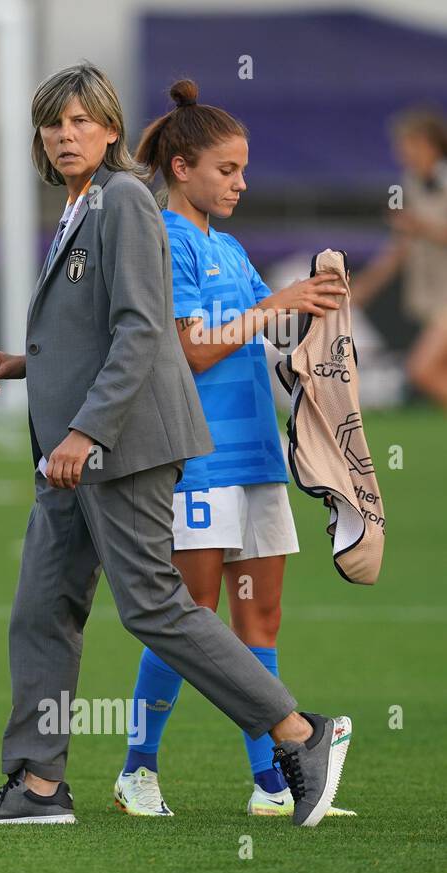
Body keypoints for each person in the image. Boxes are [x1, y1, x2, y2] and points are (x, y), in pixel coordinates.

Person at [0, 62, 351, 829]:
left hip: (125, 445)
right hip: (72, 452)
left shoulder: (126, 199)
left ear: (108, 129)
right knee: (41, 610)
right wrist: (26, 361)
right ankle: (39, 786)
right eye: (52, 123)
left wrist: (84, 430)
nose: (66, 135)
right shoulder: (81, 206)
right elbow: (101, 328)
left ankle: (301, 734)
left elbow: (144, 331)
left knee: (155, 609)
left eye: (81, 121)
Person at [111, 79, 352, 818]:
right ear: (181, 167)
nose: (242, 183)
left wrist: (313, 313)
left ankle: (274, 782)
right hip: (199, 458)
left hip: (255, 458)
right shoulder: (162, 236)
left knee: (260, 622)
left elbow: (257, 334)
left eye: (244, 170)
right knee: (191, 617)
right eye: (228, 170)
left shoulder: (227, 243)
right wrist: (275, 303)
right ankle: (137, 770)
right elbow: (188, 351)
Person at [350, 105, 447, 409]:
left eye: (406, 145)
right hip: (433, 296)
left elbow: (419, 230)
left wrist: (421, 226)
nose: (401, 153)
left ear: (427, 144)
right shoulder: (413, 184)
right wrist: (365, 286)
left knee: (422, 369)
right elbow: (400, 248)